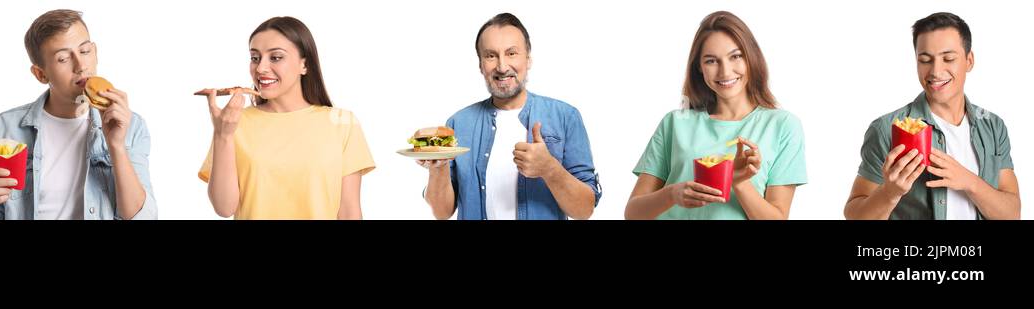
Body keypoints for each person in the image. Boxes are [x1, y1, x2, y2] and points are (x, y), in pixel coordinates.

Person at [0, 9, 156, 220]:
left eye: (85, 51)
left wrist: (116, 146)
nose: (81, 66)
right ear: (40, 74)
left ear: (95, 52)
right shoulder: (5, 129)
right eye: (63, 59)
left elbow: (143, 217)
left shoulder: (130, 124)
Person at [625, 11, 806, 220]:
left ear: (751, 58)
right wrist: (671, 194)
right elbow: (632, 213)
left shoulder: (782, 126)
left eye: (735, 56)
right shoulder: (675, 123)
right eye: (711, 61)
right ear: (699, 68)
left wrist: (738, 181)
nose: (725, 72)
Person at [418, 13, 600, 220]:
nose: (502, 67)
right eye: (490, 55)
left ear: (528, 59)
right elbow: (441, 213)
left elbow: (585, 210)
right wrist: (438, 168)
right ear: (480, 65)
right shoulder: (457, 124)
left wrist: (550, 169)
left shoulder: (566, 117)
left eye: (511, 53)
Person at [844, 12, 1020, 220]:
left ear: (969, 60)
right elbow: (854, 215)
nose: (936, 71)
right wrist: (890, 193)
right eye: (925, 60)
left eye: (948, 59)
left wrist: (969, 181)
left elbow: (1012, 214)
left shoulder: (993, 126)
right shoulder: (887, 129)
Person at [199, 16, 375, 220]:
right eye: (255, 58)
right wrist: (223, 135)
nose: (261, 68)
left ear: (304, 65)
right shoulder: (234, 123)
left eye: (275, 57)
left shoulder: (343, 122)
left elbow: (349, 211)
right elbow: (224, 207)